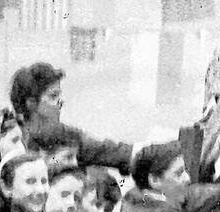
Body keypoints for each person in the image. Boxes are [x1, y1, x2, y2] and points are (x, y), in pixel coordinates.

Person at [9, 62, 139, 175]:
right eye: (53, 96)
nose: (61, 102)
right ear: (31, 103)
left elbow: (107, 151)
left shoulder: (68, 136)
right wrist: (51, 166)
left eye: (59, 95)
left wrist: (147, 154)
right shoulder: (11, 140)